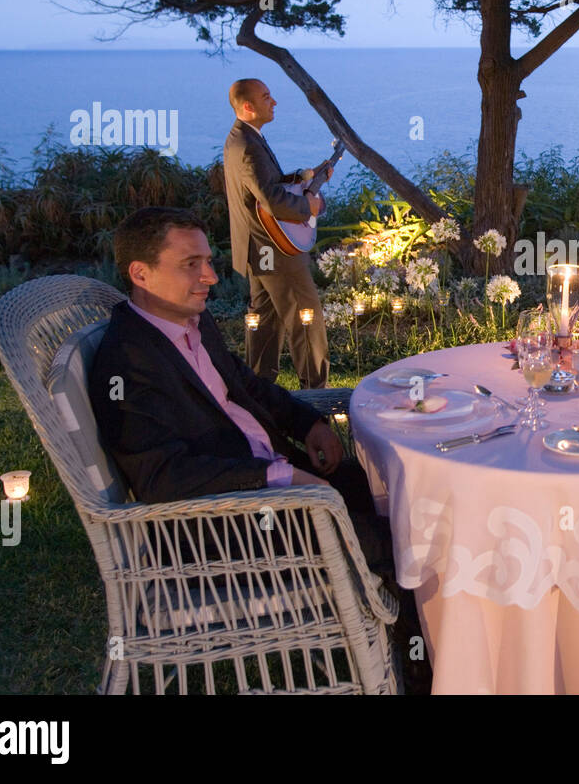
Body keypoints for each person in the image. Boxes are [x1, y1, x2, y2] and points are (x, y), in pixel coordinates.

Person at [87, 206, 390, 576]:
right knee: (398, 541)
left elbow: (246, 386)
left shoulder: (190, 320)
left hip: (277, 482)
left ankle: (407, 616)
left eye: (209, 262)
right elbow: (163, 476)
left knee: (398, 492)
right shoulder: (127, 363)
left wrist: (309, 424)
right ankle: (417, 628)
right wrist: (276, 478)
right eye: (191, 264)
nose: (211, 277)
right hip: (231, 523)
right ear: (140, 274)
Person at [223, 78, 330, 389]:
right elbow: (272, 201)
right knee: (305, 315)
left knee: (266, 321)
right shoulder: (248, 147)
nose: (274, 102)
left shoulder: (242, 138)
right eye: (266, 97)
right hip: (275, 248)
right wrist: (308, 206)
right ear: (248, 107)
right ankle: (314, 395)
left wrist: (303, 177)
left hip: (258, 249)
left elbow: (264, 186)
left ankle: (257, 390)